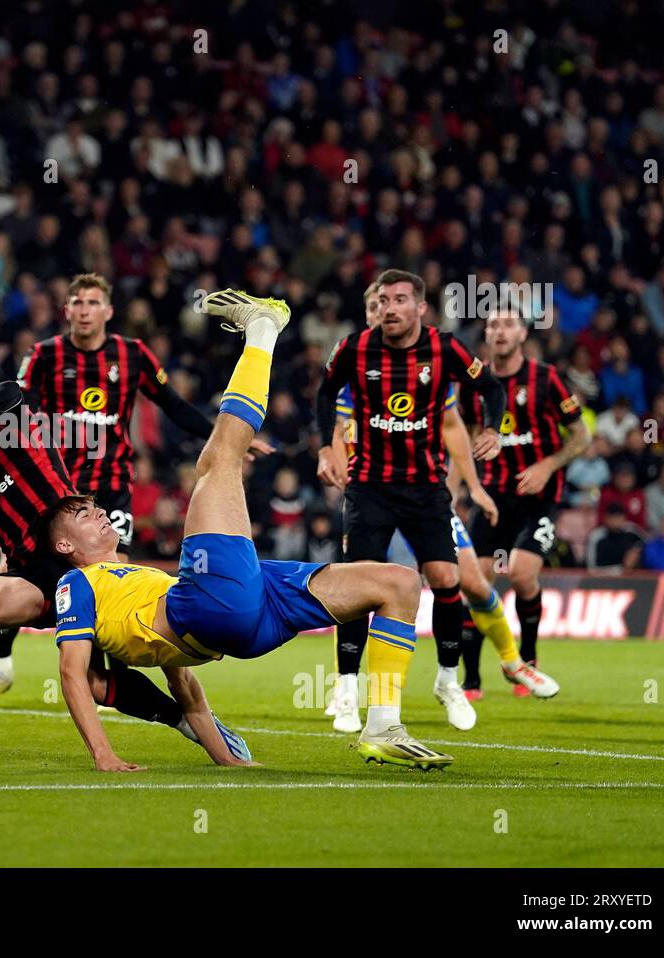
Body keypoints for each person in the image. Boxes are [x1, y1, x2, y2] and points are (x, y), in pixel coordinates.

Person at [45, 291, 453, 770]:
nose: (95, 511)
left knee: (399, 583)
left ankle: (384, 724)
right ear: (65, 544)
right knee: (218, 461)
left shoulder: (133, 580)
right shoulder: (75, 584)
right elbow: (74, 674)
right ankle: (261, 329)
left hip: (244, 618)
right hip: (210, 608)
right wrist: (104, 756)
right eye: (81, 513)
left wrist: (226, 760)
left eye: (93, 505)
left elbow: (184, 686)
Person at [0, 375, 237, 757]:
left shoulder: (13, 430)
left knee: (101, 682)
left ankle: (188, 721)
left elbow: (11, 389)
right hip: (35, 579)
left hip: (79, 566)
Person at [0, 272, 267, 711]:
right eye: (77, 303)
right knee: (15, 568)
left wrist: (228, 437)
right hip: (55, 488)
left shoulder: (133, 354)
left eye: (92, 302)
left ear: (107, 310)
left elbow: (173, 406)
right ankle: (1, 665)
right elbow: (16, 403)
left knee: (113, 568)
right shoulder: (45, 355)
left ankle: (111, 674)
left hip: (110, 487)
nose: (84, 310)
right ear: (66, 310)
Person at [323, 287, 558, 719]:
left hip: (423, 491)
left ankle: (511, 661)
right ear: (368, 313)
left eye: (392, 304)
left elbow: (452, 428)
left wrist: (473, 487)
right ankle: (350, 688)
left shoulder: (428, 362)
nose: (384, 312)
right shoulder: (356, 365)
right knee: (364, 588)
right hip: (371, 490)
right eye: (375, 306)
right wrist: (338, 467)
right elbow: (338, 428)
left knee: (466, 579)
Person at [463, 309, 591, 690]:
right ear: (485, 334)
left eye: (508, 325)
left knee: (521, 574)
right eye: (493, 325)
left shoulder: (546, 378)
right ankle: (471, 680)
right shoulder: (475, 382)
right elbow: (465, 437)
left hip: (539, 497)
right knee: (475, 583)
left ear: (522, 334)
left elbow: (581, 435)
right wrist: (462, 485)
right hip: (492, 497)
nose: (500, 331)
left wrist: (547, 466)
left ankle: (527, 660)